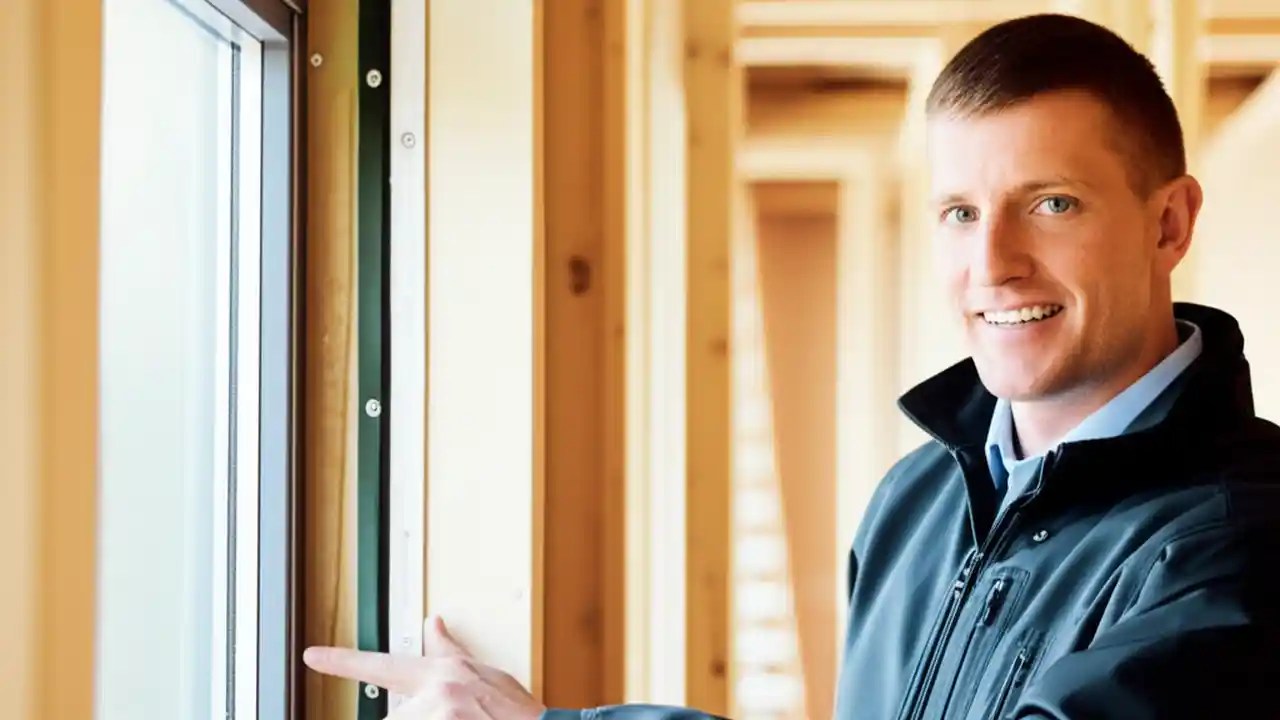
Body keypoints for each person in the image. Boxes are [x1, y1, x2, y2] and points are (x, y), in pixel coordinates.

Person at [303, 13, 1280, 719]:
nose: (991, 265)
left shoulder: (1243, 536)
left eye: (1050, 204)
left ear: (1168, 222)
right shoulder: (918, 500)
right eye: (957, 213)